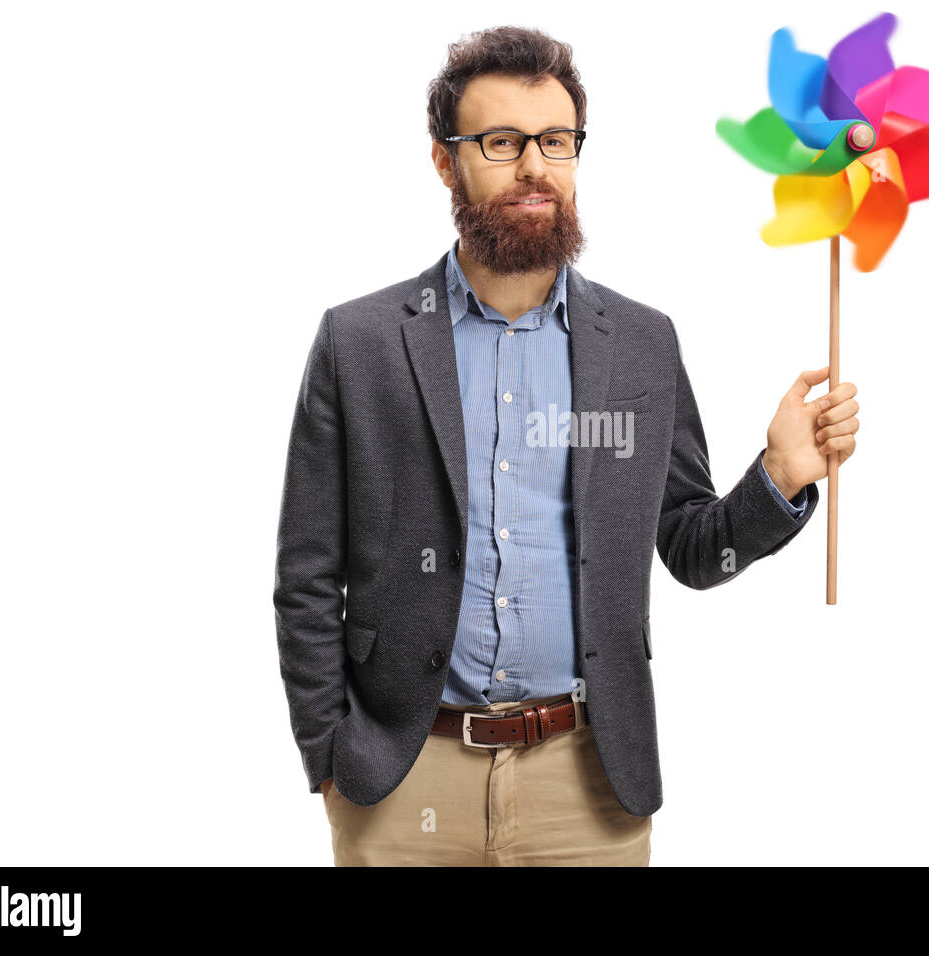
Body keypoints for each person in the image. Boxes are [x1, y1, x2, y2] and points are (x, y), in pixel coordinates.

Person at [273, 25, 860, 867]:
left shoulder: (642, 343)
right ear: (446, 161)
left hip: (587, 784)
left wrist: (778, 477)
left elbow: (692, 548)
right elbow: (305, 575)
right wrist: (327, 755)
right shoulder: (359, 342)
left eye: (556, 141)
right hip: (402, 780)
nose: (534, 168)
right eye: (501, 142)